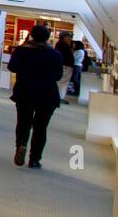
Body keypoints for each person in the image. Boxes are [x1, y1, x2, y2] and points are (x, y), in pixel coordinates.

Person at [6, 23, 64, 169]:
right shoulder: (55, 54)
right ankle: (35, 159)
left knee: (23, 122)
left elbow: (12, 67)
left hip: (25, 91)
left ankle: (21, 145)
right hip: (47, 94)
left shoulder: (21, 51)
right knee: (41, 127)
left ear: (31, 35)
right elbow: (58, 76)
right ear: (48, 38)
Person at [55, 31, 75, 103]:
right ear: (65, 37)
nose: (70, 38)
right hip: (65, 66)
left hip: (65, 66)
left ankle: (59, 96)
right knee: (62, 82)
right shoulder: (62, 44)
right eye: (69, 36)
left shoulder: (62, 44)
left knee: (62, 82)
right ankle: (59, 97)